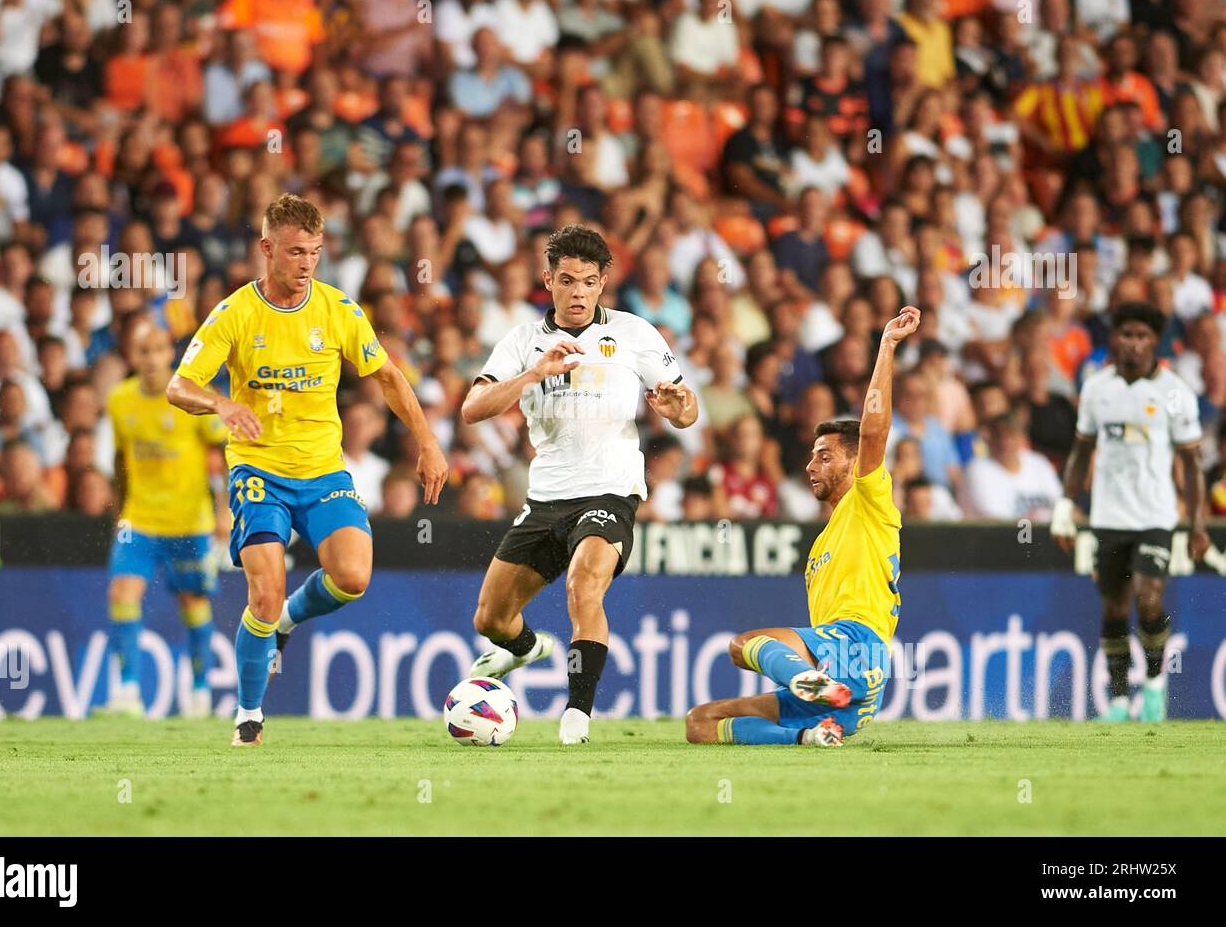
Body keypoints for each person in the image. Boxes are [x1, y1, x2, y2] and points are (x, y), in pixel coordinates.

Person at [166, 193, 447, 746]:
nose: (306, 264)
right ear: (267, 249)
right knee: (262, 593)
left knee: (353, 577)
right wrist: (222, 404)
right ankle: (249, 715)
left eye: (315, 253)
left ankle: (290, 621)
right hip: (258, 471)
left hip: (323, 472)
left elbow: (388, 377)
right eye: (295, 252)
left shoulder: (338, 311)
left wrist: (428, 442)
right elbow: (179, 386)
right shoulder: (235, 313)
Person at [460, 225, 698, 745]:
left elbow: (687, 408)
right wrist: (531, 376)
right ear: (547, 280)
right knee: (491, 619)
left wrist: (679, 408)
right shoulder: (523, 341)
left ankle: (577, 714)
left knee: (583, 585)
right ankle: (525, 648)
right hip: (546, 497)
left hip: (610, 491)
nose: (578, 293)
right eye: (566, 281)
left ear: (603, 282)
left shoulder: (634, 333)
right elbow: (472, 409)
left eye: (589, 282)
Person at [685, 306, 921, 748]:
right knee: (700, 723)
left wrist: (886, 346)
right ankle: (811, 735)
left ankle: (812, 686)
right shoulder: (823, 542)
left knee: (743, 645)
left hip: (855, 645)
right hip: (856, 686)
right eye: (811, 455)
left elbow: (873, 431)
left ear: (855, 463)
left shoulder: (869, 500)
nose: (811, 465)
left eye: (825, 455)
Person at [1051, 302, 1208, 723]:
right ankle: (1120, 700)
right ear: (1114, 338)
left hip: (1156, 516)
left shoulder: (1175, 392)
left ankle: (1154, 687)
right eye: (1126, 334)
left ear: (1155, 341)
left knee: (1149, 598)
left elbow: (1192, 465)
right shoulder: (1097, 388)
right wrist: (1066, 507)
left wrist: (1196, 523)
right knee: (1114, 609)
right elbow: (1080, 454)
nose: (1134, 344)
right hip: (1107, 517)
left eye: (1142, 336)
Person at [102, 322, 226, 718]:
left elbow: (221, 453)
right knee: (122, 593)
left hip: (190, 521)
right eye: (143, 351)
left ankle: (202, 690)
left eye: (158, 349)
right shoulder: (120, 401)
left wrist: (225, 509)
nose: (152, 359)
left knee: (193, 604)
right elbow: (120, 460)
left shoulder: (189, 398)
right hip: (139, 519)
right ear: (132, 357)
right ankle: (128, 691)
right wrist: (119, 508)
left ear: (169, 354)